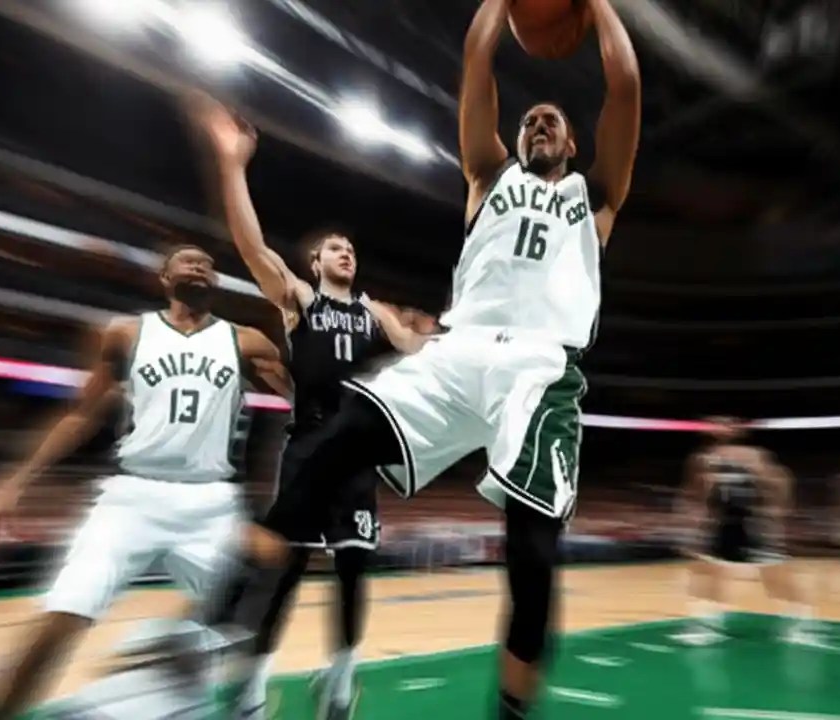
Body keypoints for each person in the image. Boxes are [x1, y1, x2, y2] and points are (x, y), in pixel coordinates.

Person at [206, 1, 640, 717]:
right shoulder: (485, 176)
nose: (537, 123)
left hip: (538, 369)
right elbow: (476, 62)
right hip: (461, 348)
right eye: (529, 118)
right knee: (331, 445)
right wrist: (501, 6)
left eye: (551, 121)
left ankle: (509, 712)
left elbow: (624, 87)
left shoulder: (595, 200)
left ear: (572, 143)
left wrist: (593, 8)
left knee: (531, 565)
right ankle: (211, 624)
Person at [0, 245, 291, 720]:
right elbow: (80, 415)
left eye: (207, 263)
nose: (199, 265)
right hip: (133, 494)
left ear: (215, 283)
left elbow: (307, 397)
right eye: (186, 260)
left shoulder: (246, 341)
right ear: (165, 277)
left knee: (271, 560)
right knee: (63, 617)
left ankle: (208, 671)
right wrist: (13, 482)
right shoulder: (125, 333)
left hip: (211, 498)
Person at [183, 95, 426, 719]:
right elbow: (251, 245)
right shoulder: (298, 302)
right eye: (334, 248)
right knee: (285, 572)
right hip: (309, 444)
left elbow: (420, 348)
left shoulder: (376, 312)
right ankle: (254, 683)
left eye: (351, 247)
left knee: (352, 572)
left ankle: (340, 682)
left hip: (358, 455)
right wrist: (233, 166)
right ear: (315, 264)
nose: (346, 251)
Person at [674, 417, 817, 646]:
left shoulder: (754, 455)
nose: (719, 426)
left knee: (775, 580)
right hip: (721, 524)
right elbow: (694, 494)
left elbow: (781, 480)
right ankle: (707, 626)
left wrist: (777, 512)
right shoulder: (702, 459)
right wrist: (693, 526)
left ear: (737, 429)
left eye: (726, 423)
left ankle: (802, 622)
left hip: (753, 523)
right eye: (715, 423)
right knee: (706, 573)